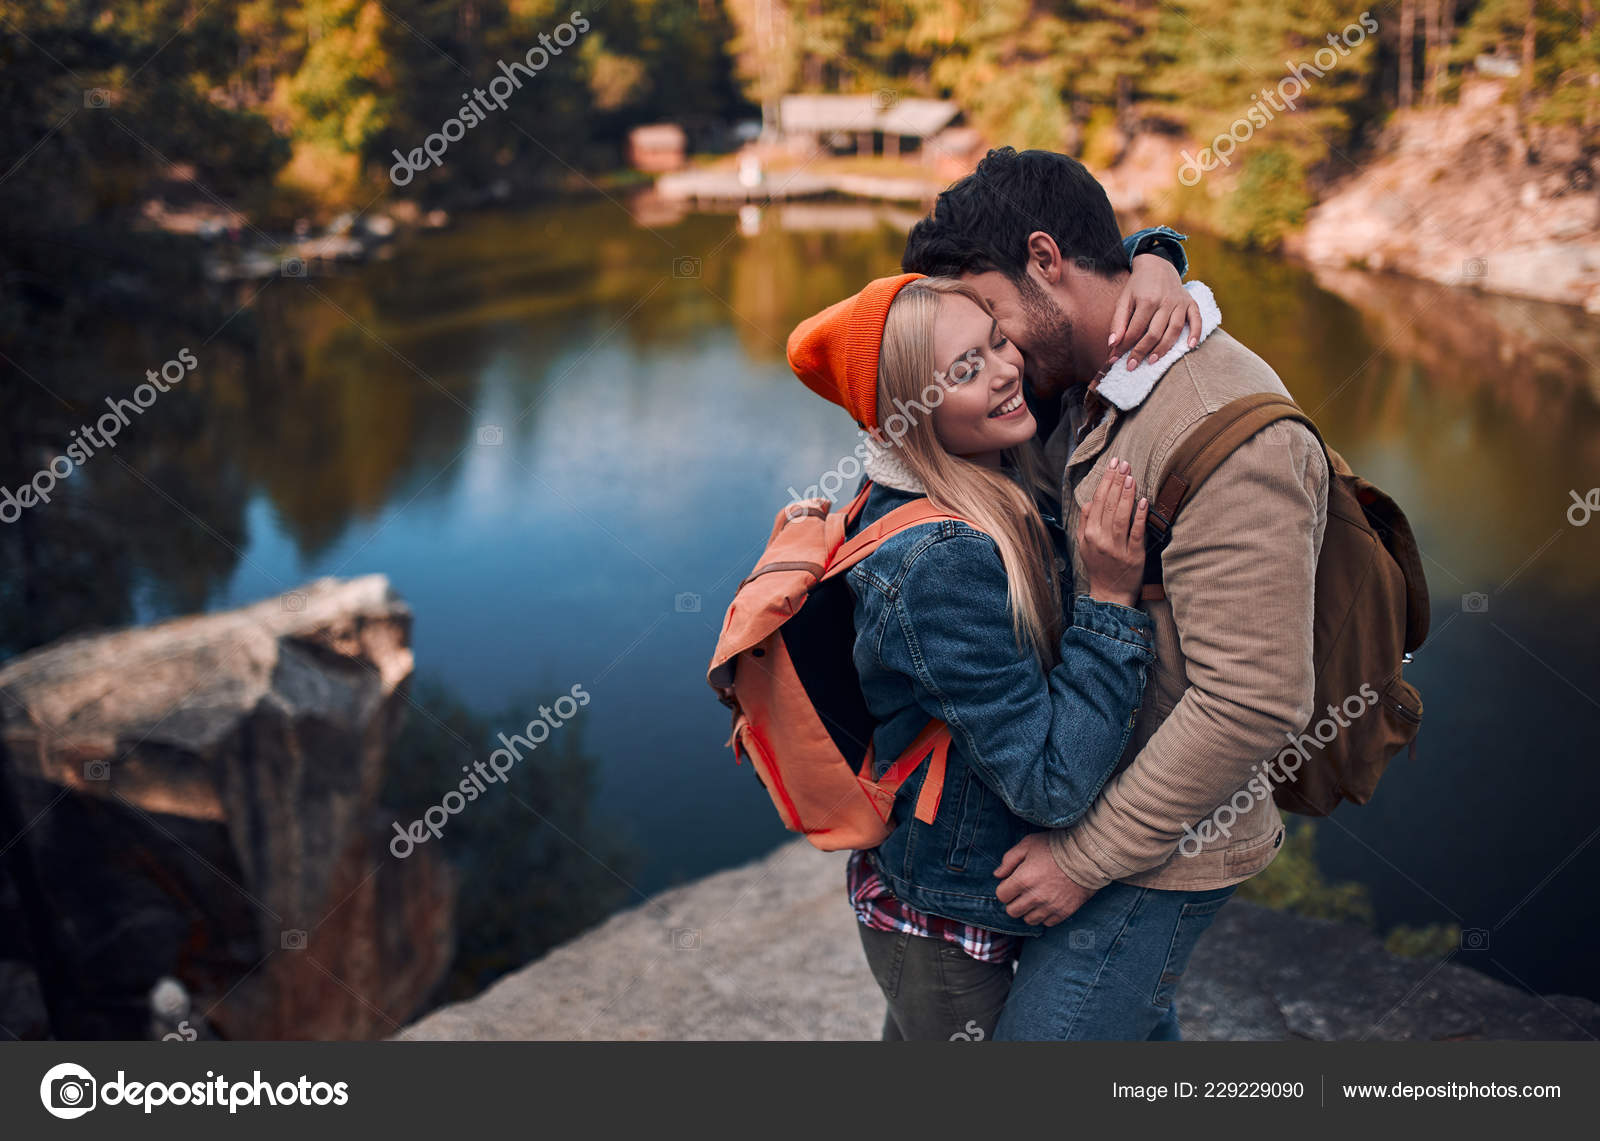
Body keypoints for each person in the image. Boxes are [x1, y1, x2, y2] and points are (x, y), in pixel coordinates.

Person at [901, 147, 1329, 1041]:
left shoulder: (1232, 435)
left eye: (989, 314)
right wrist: (1156, 250)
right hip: (1091, 794)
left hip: (1165, 849)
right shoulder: (1076, 369)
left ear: (1048, 259)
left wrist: (1081, 859)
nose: (991, 351)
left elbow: (1254, 701)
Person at [783, 228, 1198, 1042]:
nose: (1009, 370)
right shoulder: (939, 561)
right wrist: (1112, 603)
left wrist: (1154, 258)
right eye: (964, 368)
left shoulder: (977, 449)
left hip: (955, 888)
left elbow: (1083, 291)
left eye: (997, 339)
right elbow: (1049, 783)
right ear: (913, 411)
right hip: (947, 920)